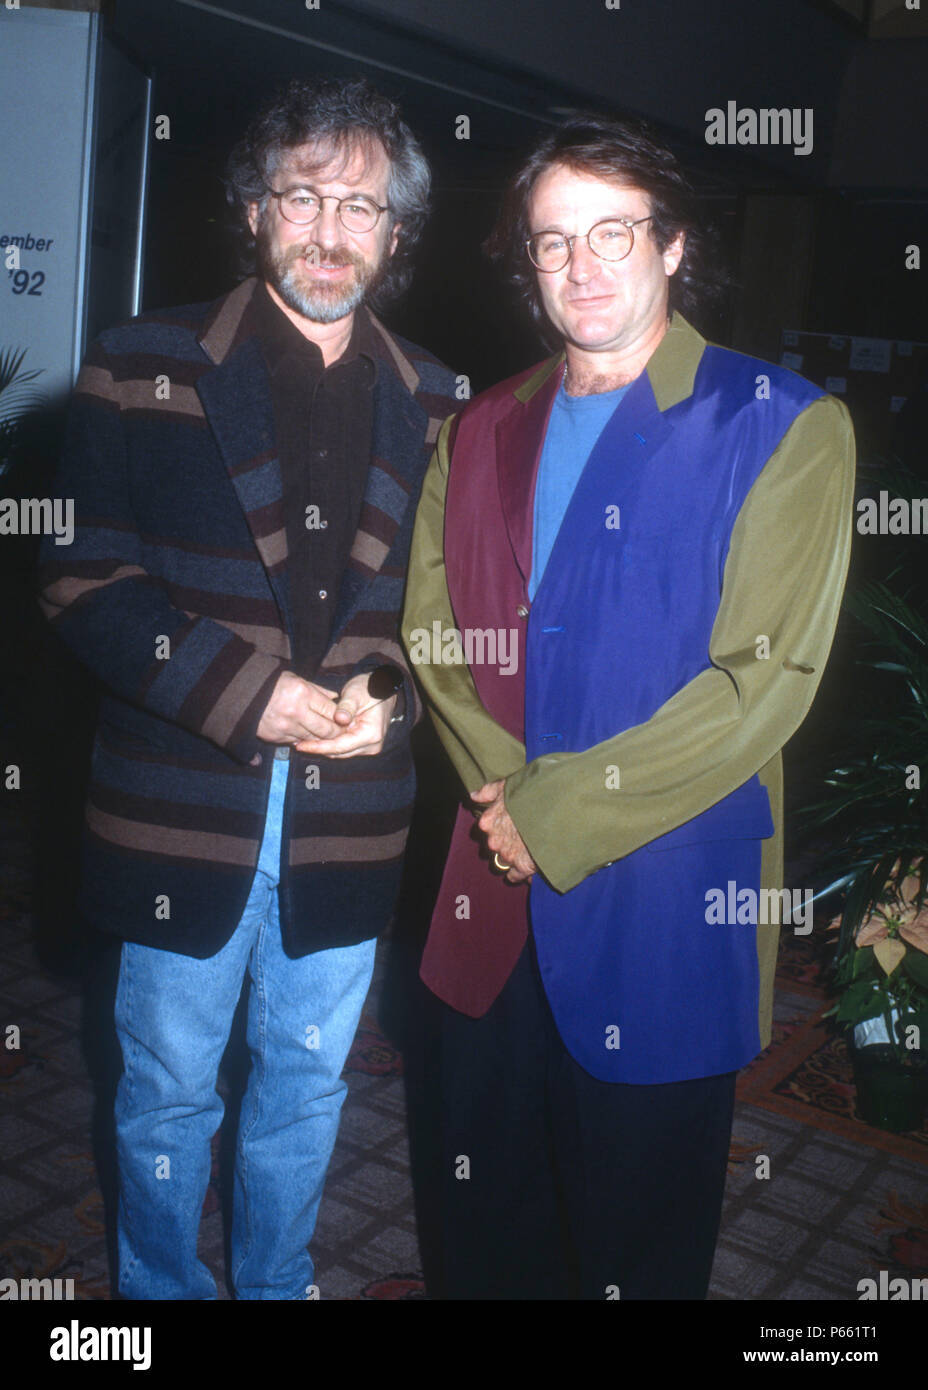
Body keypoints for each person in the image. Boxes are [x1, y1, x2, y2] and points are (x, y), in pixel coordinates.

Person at [401, 114, 855, 1300]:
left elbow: (762, 680)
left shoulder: (782, 423)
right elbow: (434, 631)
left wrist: (553, 811)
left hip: (663, 901)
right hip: (486, 898)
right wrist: (506, 795)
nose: (583, 266)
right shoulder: (479, 425)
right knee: (483, 1230)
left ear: (673, 246)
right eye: (553, 244)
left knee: (634, 1249)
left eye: (614, 233)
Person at [37, 76, 458, 1300]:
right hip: (180, 793)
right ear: (253, 209)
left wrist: (393, 694)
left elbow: (453, 624)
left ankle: (278, 1286)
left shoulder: (443, 402)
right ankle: (161, 1297)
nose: (331, 233)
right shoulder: (139, 363)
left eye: (362, 208)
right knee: (165, 1090)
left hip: (351, 814)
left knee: (309, 1084)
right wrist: (245, 694)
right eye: (302, 198)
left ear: (396, 231)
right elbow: (82, 580)